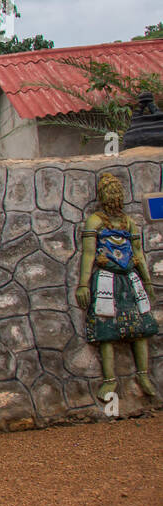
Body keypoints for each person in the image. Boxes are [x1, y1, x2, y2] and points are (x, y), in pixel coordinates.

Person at [75, 172, 158, 401]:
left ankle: (143, 374)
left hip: (129, 277)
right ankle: (109, 379)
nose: (113, 196)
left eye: (116, 192)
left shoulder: (128, 222)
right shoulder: (96, 221)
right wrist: (83, 284)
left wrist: (146, 279)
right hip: (106, 278)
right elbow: (89, 253)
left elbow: (138, 252)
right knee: (106, 328)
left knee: (140, 326)